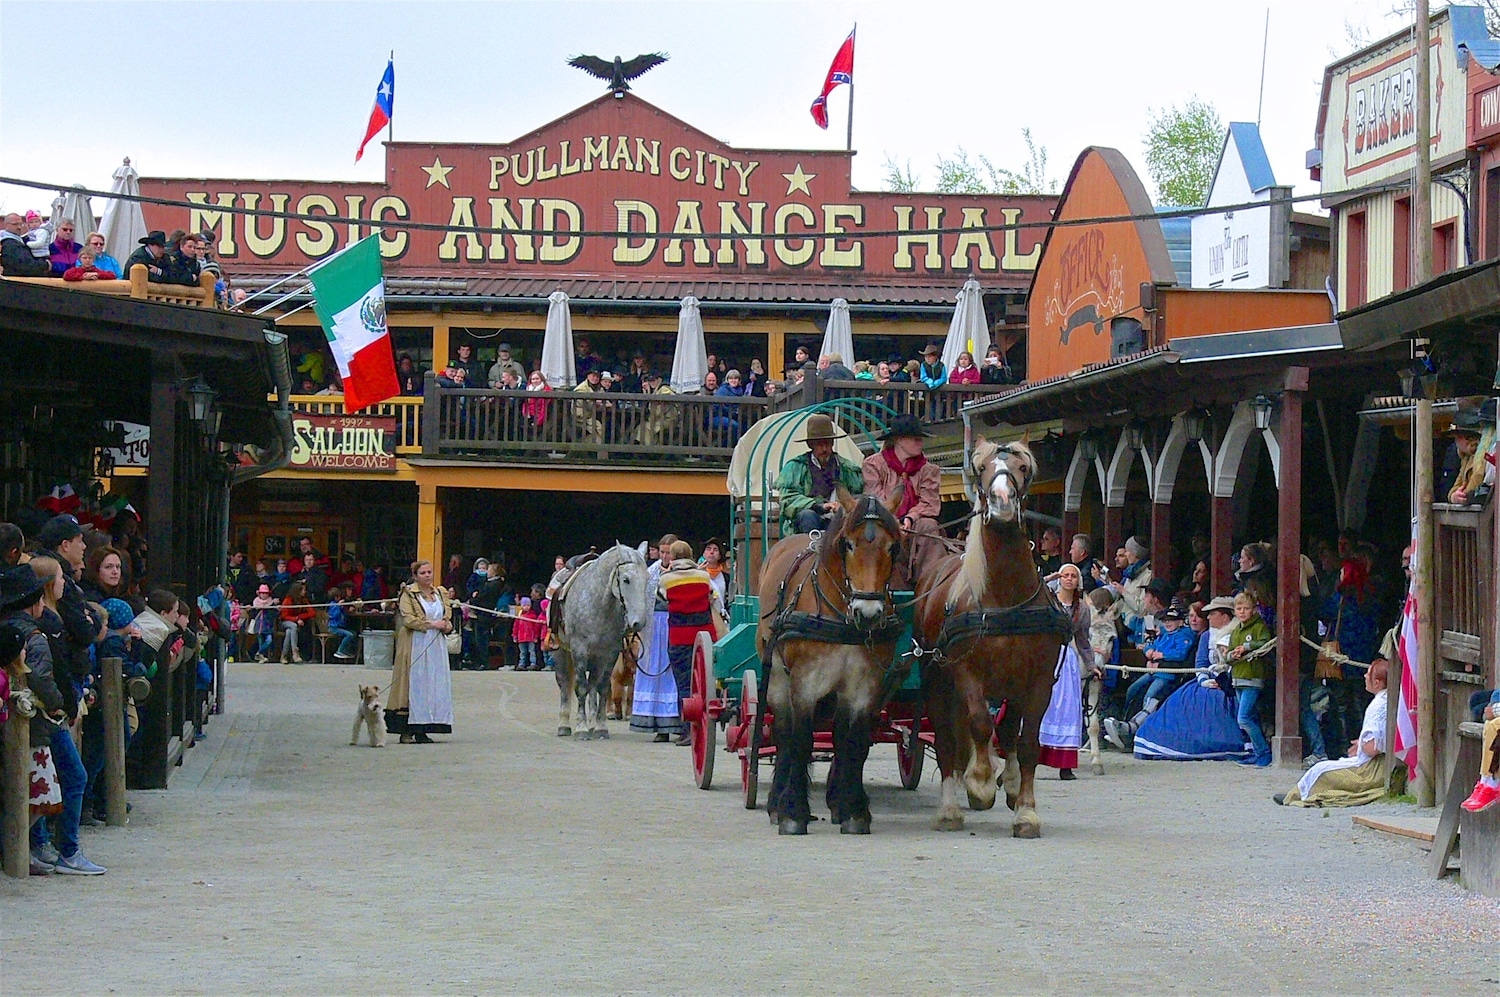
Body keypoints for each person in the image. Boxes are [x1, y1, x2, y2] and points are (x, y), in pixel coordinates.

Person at [1130, 598, 1251, 761]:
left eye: (1213, 614)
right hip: (1206, 681)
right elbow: (1200, 663)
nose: (1208, 618)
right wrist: (1204, 681)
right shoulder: (1207, 636)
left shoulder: (1238, 634)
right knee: (1177, 705)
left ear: (1225, 616)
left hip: (1229, 684)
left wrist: (1224, 681)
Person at [1276, 659, 1389, 807]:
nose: (1365, 677)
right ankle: (1298, 793)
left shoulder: (1378, 706)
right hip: (1378, 764)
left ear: (1377, 683)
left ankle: (1297, 796)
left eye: (1369, 674)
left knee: (1321, 769)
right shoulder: (1388, 700)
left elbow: (1373, 748)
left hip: (1370, 769)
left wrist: (1362, 745)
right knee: (1326, 767)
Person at [860, 413, 942, 586]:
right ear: (899, 440)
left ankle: (932, 583)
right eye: (914, 438)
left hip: (915, 523)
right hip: (885, 521)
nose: (920, 442)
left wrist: (910, 518)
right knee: (881, 533)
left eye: (920, 438)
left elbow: (930, 502)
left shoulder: (929, 470)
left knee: (929, 525)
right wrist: (895, 522)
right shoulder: (873, 465)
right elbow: (876, 500)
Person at [1104, 600, 1196, 749]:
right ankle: (1124, 722)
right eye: (1166, 620)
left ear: (1180, 622)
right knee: (1132, 690)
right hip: (1153, 671)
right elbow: (1151, 646)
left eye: (1172, 620)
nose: (1168, 623)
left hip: (1166, 674)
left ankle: (1139, 731)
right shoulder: (1165, 634)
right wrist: (1149, 652)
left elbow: (1180, 653)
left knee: (1149, 698)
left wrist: (1161, 655)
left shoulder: (1184, 634)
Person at [386, 559, 456, 743]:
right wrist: (432, 624)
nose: (427, 575)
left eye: (429, 572)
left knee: (433, 683)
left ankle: (425, 727)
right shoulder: (408, 593)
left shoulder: (440, 592)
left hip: (435, 645)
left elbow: (447, 615)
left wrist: (446, 625)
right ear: (415, 576)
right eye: (423, 573)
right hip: (415, 642)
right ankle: (407, 729)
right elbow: (408, 619)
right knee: (414, 683)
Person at [1039, 563, 1093, 779]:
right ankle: (1031, 756)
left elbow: (1083, 642)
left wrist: (1091, 666)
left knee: (1068, 710)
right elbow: (1034, 589)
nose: (1069, 579)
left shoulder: (1082, 609)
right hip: (1045, 657)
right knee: (1042, 705)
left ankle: (1065, 765)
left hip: (1067, 660)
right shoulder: (1048, 600)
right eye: (1066, 575)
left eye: (1073, 575)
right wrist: (1050, 576)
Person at [660, 541, 714, 746]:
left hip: (679, 637)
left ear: (672, 558)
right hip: (704, 637)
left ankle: (687, 729)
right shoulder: (704, 576)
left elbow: (663, 599)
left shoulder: (665, 579)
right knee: (703, 683)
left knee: (683, 684)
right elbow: (713, 599)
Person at [774, 414, 864, 536]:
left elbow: (858, 495)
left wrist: (844, 505)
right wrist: (816, 506)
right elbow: (787, 499)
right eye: (820, 444)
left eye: (827, 443)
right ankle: (812, 551)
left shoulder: (847, 468)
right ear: (811, 445)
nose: (824, 448)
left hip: (838, 519)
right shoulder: (796, 467)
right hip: (806, 522)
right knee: (808, 516)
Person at [632, 536, 681, 740]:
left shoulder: (683, 572)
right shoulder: (651, 572)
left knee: (672, 673)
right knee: (653, 671)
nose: (664, 556)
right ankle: (656, 725)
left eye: (668, 552)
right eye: (661, 552)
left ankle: (677, 723)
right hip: (653, 629)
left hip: (673, 625)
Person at [1226, 591, 1274, 766]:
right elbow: (1227, 656)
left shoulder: (1259, 626)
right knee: (1250, 717)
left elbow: (1265, 643)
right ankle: (1257, 752)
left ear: (1253, 609)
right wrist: (1234, 654)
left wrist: (1246, 647)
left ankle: (1264, 753)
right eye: (1239, 608)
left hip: (1253, 678)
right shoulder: (1235, 631)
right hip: (1238, 677)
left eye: (1246, 608)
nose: (1242, 612)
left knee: (1243, 718)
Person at [1444, 408, 1496, 505]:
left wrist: (1462, 496)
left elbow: (1475, 484)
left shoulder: (1483, 455)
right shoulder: (1466, 458)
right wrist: (1453, 497)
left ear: (1462, 437)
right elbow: (1456, 486)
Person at [1104, 535, 1153, 629]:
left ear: (1135, 553)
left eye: (1127, 551)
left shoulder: (1147, 576)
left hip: (1134, 630)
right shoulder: (1130, 574)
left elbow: (1143, 609)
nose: (1126, 554)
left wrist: (1123, 591)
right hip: (1121, 625)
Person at [276, 580, 313, 663]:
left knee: (289, 632)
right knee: (293, 626)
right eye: (303, 590)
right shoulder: (288, 600)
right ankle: (295, 652)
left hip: (294, 622)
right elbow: (284, 616)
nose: (305, 592)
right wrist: (296, 619)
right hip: (284, 622)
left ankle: (284, 656)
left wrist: (300, 617)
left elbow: (312, 612)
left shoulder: (304, 600)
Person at [326, 583, 357, 662]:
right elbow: (334, 615)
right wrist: (338, 606)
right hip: (333, 627)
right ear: (336, 597)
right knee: (349, 635)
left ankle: (346, 650)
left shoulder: (338, 605)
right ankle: (340, 650)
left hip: (340, 626)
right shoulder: (332, 605)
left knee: (353, 633)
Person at [700, 537, 728, 602]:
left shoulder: (726, 578)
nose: (711, 552)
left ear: (720, 556)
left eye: (715, 550)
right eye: (708, 549)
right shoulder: (698, 575)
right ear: (703, 554)